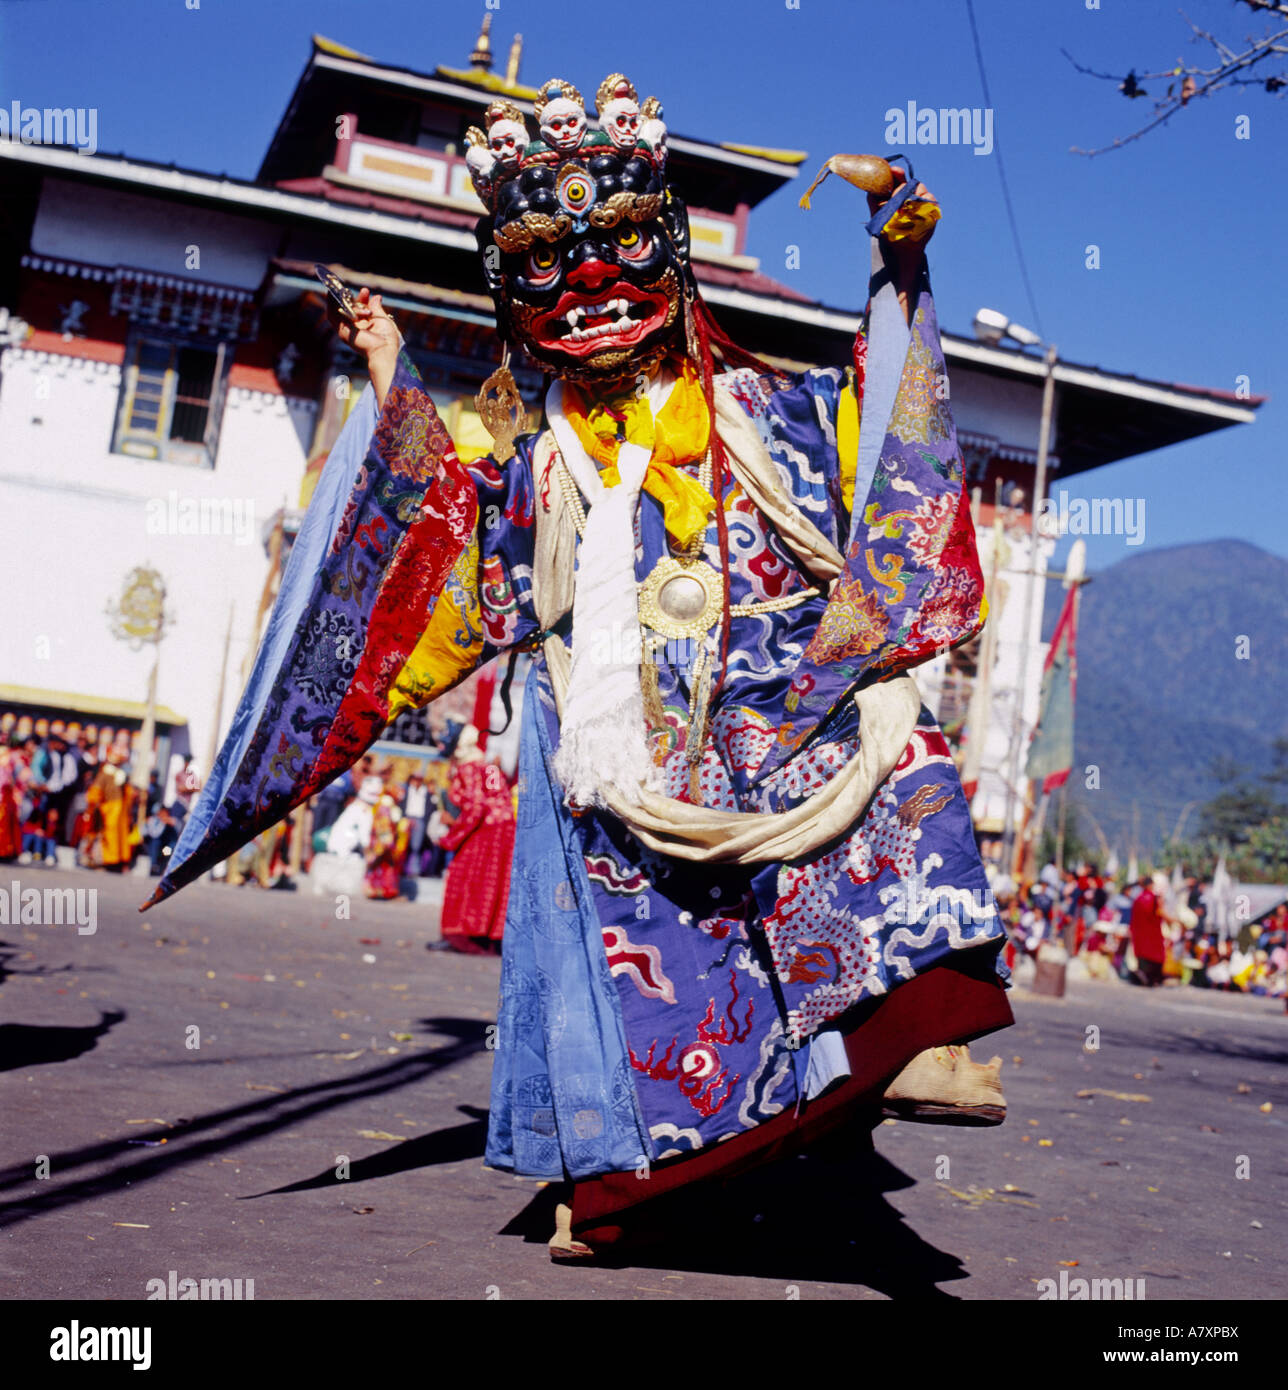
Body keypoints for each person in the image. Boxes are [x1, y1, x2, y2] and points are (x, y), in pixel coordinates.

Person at [146, 80, 1012, 1262]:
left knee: (882, 739)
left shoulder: (755, 411)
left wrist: (896, 270)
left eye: (619, 248)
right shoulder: (536, 458)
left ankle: (922, 1034)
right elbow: (441, 554)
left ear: (672, 261)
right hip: (604, 759)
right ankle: (612, 1191)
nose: (591, 289)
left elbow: (882, 438)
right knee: (629, 1002)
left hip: (757, 711)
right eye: (549, 263)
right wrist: (394, 368)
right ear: (510, 292)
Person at [432, 727, 516, 954]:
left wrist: (451, 838)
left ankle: (461, 936)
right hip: (505, 832)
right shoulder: (488, 767)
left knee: (465, 878)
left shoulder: (469, 768)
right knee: (494, 883)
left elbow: (476, 807)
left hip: (486, 831)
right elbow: (498, 798)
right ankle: (489, 936)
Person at [365, 777, 410, 900]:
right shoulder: (385, 806)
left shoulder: (391, 806)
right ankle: (376, 890)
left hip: (387, 841)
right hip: (383, 842)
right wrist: (388, 842)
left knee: (386, 866)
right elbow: (383, 826)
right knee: (380, 865)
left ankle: (385, 891)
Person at [1128, 874, 1175, 987]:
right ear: (1152, 885)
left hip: (1139, 934)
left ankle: (1143, 976)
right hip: (1153, 934)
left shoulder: (1138, 899)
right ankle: (1151, 979)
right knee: (1155, 956)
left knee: (1143, 957)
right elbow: (1159, 912)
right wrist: (1174, 921)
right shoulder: (1154, 898)